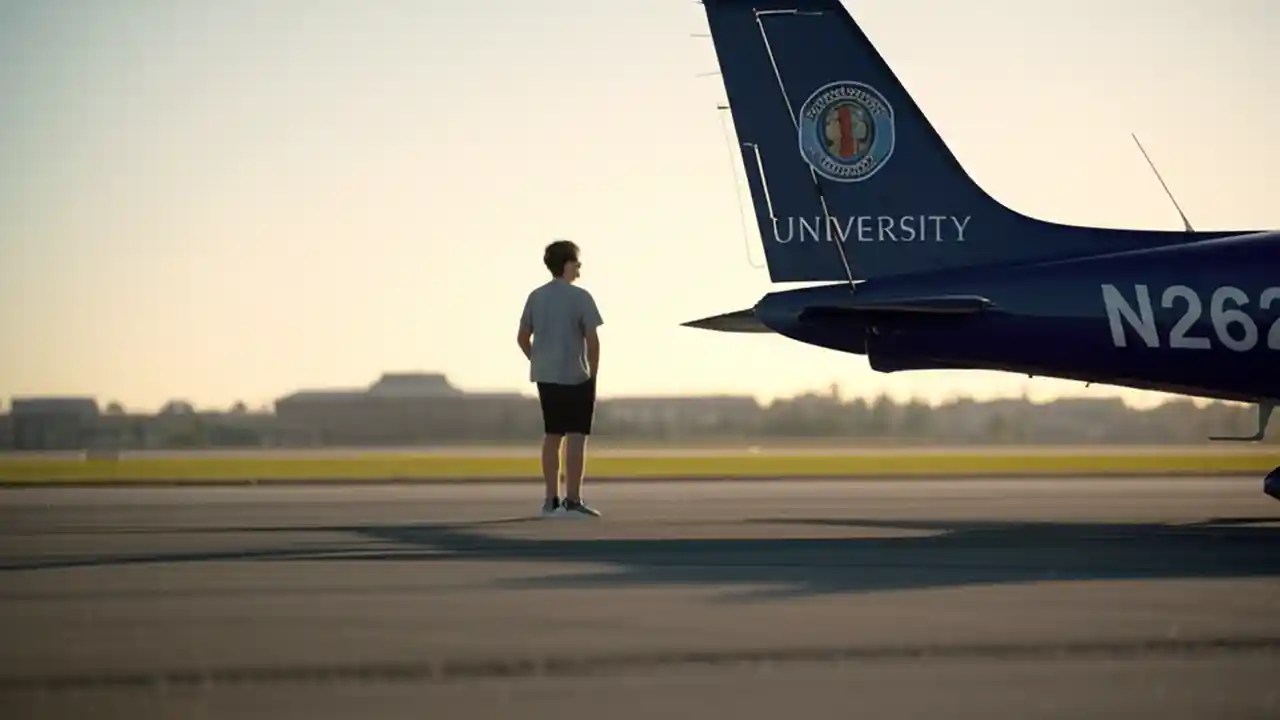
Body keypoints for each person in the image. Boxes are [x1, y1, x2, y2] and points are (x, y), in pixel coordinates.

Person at [517, 240, 603, 517]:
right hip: (577, 376)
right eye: (576, 262)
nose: (579, 267)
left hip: (546, 376)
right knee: (576, 436)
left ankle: (550, 500)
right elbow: (592, 341)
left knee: (553, 434)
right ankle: (573, 500)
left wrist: (539, 360)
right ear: (567, 264)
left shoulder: (536, 296)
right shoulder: (581, 297)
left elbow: (522, 337)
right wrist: (593, 374)